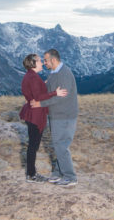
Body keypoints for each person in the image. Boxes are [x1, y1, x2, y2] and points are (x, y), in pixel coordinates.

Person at [29, 48, 79, 187]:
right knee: (58, 145)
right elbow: (52, 90)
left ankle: (70, 177)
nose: (44, 63)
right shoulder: (54, 72)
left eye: (45, 60)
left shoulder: (64, 75)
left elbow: (60, 98)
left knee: (61, 145)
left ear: (54, 60)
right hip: (57, 115)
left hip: (64, 116)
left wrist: (40, 104)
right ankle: (58, 172)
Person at [19, 53, 67, 183]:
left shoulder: (31, 76)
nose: (42, 63)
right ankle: (31, 175)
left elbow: (36, 92)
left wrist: (44, 85)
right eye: (40, 61)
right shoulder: (33, 77)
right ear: (33, 63)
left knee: (32, 145)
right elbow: (39, 97)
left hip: (32, 113)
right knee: (33, 146)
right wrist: (55, 93)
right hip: (35, 115)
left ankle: (31, 173)